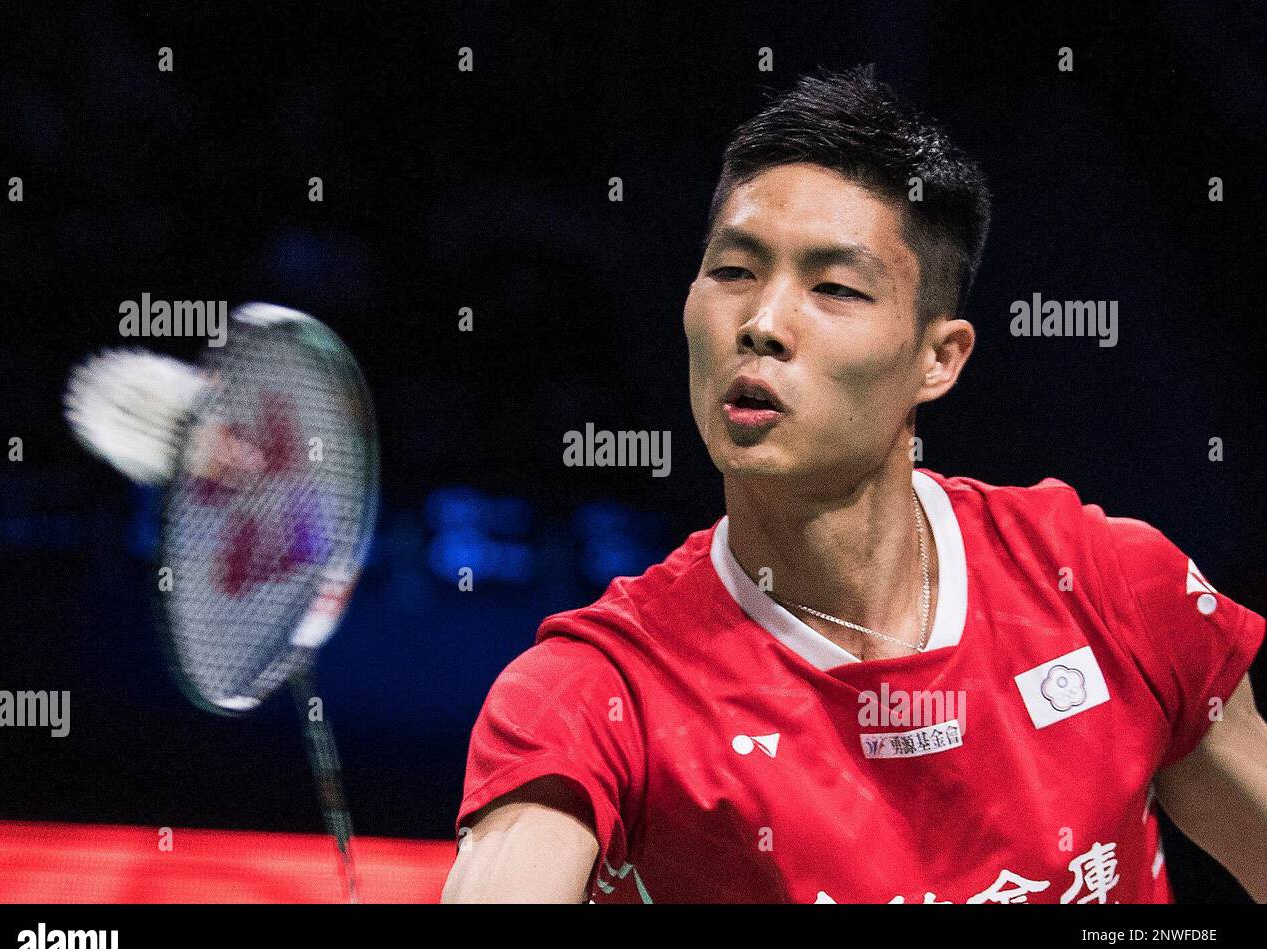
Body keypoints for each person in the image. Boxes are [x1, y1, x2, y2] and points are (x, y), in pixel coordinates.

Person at [441, 66, 1266, 904]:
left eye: (834, 287)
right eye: (732, 271)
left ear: (938, 358)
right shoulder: (601, 693)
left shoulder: (1107, 590)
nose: (761, 324)